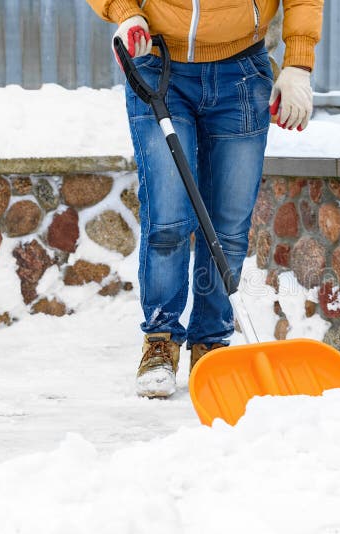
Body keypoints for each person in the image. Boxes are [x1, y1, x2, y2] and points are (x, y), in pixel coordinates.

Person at [86, 0, 322, 398]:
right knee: (168, 218)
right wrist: (126, 13)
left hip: (241, 74)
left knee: (228, 226)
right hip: (158, 63)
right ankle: (160, 340)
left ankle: (211, 346)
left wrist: (298, 63)